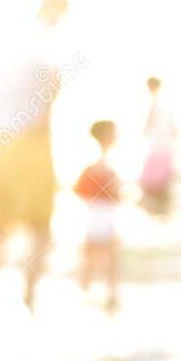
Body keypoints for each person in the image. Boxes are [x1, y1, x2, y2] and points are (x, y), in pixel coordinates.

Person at [0, 0, 69, 314]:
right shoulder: (46, 39)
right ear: (54, 9)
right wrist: (42, 121)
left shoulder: (9, 40)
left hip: (0, 142)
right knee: (40, 227)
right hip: (31, 143)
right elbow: (53, 83)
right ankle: (29, 298)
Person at [75, 120, 123, 313]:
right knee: (109, 257)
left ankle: (87, 294)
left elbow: (79, 190)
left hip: (93, 214)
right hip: (103, 214)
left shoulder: (94, 165)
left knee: (91, 257)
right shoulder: (104, 165)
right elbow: (117, 193)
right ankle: (109, 295)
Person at [136, 76, 176, 216]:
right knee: (161, 178)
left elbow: (148, 124)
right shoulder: (166, 103)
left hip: (158, 145)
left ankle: (155, 208)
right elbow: (174, 128)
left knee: (152, 179)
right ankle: (160, 208)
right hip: (165, 145)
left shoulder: (155, 102)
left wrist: (141, 136)